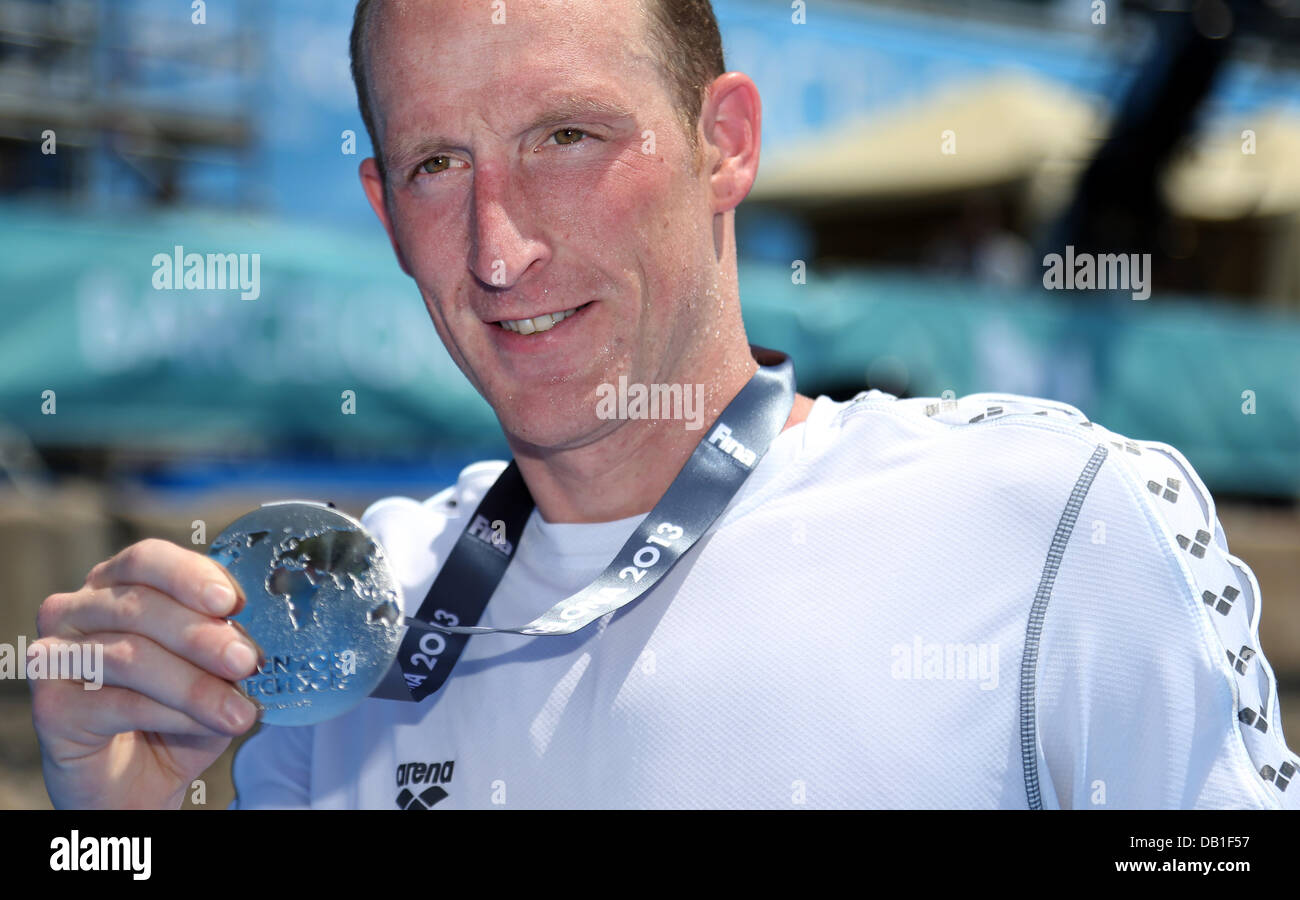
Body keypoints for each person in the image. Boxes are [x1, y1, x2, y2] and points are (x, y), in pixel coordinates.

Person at [32, 0, 1298, 809]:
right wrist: (115, 828)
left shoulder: (1049, 529)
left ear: (724, 145)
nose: (499, 247)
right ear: (381, 212)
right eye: (436, 164)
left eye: (567, 137)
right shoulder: (361, 622)